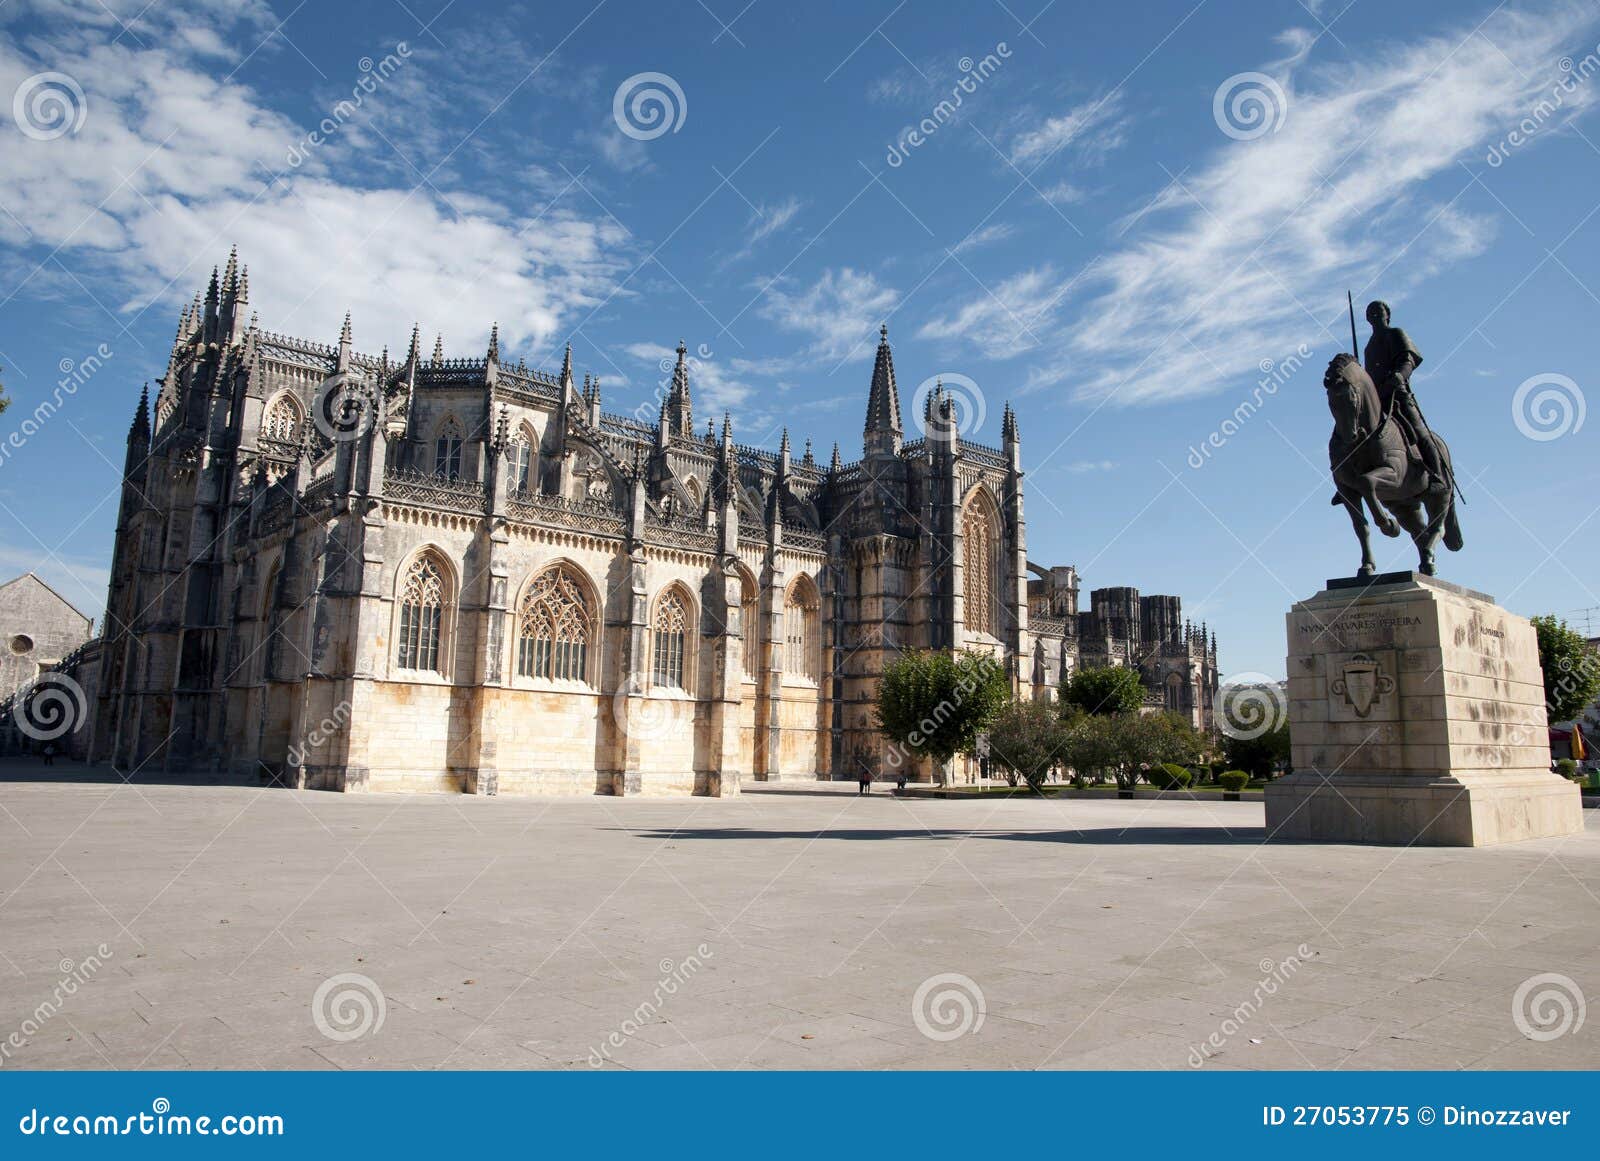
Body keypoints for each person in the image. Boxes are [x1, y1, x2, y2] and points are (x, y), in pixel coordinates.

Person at [1364, 300, 1446, 491]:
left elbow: (1408, 362)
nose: (1375, 315)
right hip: (1377, 399)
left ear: (1387, 314)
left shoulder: (1396, 334)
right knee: (1356, 430)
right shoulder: (1369, 347)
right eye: (1371, 313)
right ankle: (1348, 482)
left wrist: (1398, 376)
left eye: (1378, 311)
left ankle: (1437, 476)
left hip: (1398, 395)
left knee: (1419, 432)